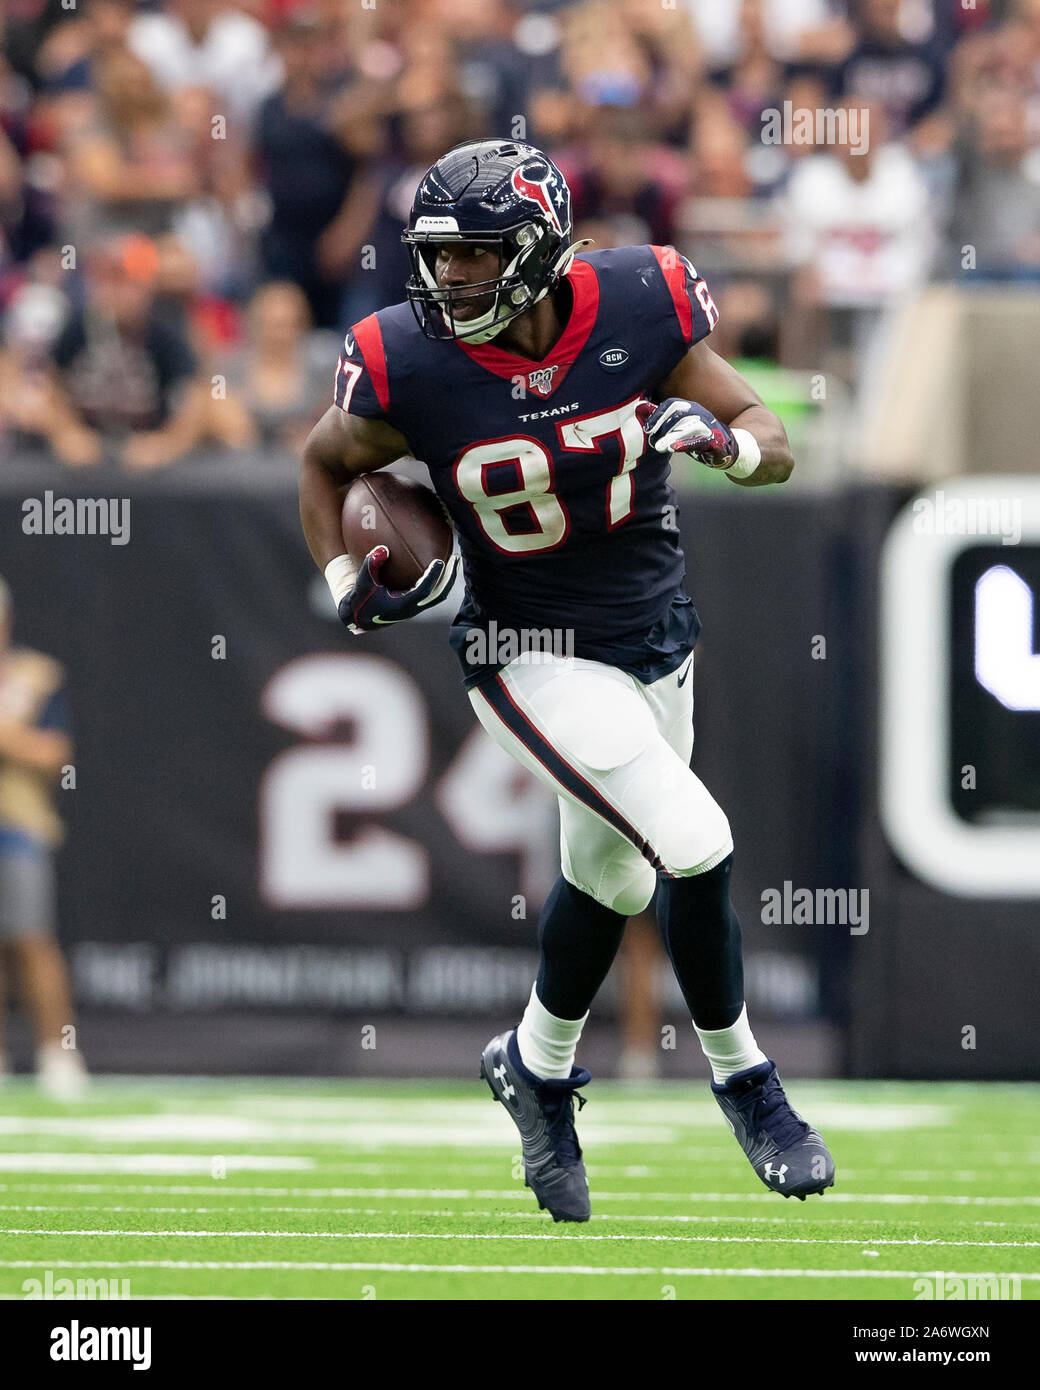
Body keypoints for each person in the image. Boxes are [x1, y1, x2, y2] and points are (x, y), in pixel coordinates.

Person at [299, 139, 834, 1221]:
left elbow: (772, 439)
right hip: (522, 649)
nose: (451, 282)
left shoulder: (640, 299)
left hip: (654, 634)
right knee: (692, 841)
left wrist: (725, 446)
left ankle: (534, 1067)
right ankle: (748, 1082)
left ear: (541, 250)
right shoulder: (405, 358)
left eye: (476, 257)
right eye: (438, 259)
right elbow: (324, 460)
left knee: (612, 880)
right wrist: (342, 571)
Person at [0, 577, 86, 1098]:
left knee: (32, 940)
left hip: (18, 825)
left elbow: (55, 754)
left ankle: (58, 1054)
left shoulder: (34, 677)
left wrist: (7, 738)